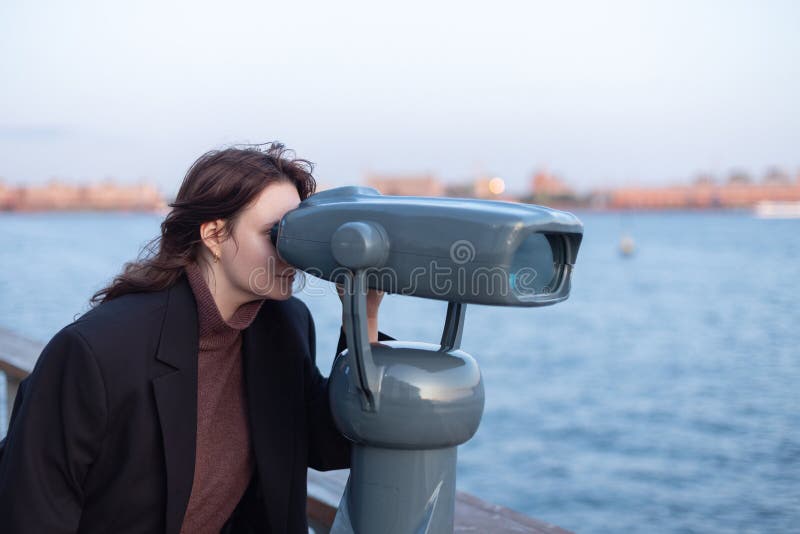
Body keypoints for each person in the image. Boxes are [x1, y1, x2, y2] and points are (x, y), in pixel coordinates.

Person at [0, 144, 389, 533]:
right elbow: (32, 510)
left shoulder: (285, 325)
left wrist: (363, 313)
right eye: (276, 233)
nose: (292, 254)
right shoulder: (97, 352)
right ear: (215, 235)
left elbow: (330, 441)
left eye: (298, 233)